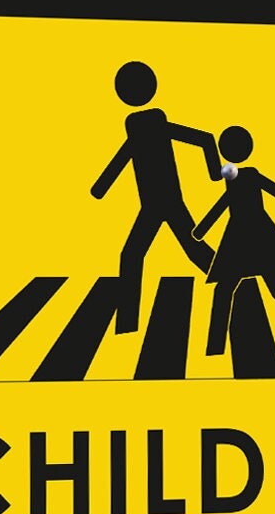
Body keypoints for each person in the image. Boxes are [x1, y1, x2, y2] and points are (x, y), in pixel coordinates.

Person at [90, 61, 221, 335]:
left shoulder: (153, 127)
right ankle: (127, 324)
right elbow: (205, 139)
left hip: (168, 203)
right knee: (139, 255)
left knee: (182, 252)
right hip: (153, 206)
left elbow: (205, 139)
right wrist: (101, 186)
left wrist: (214, 173)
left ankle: (235, 284)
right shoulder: (144, 129)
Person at [192, 124, 275, 356]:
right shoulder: (240, 177)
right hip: (258, 237)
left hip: (243, 240)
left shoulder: (240, 177)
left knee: (228, 290)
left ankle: (215, 347)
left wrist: (201, 231)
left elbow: (224, 205)